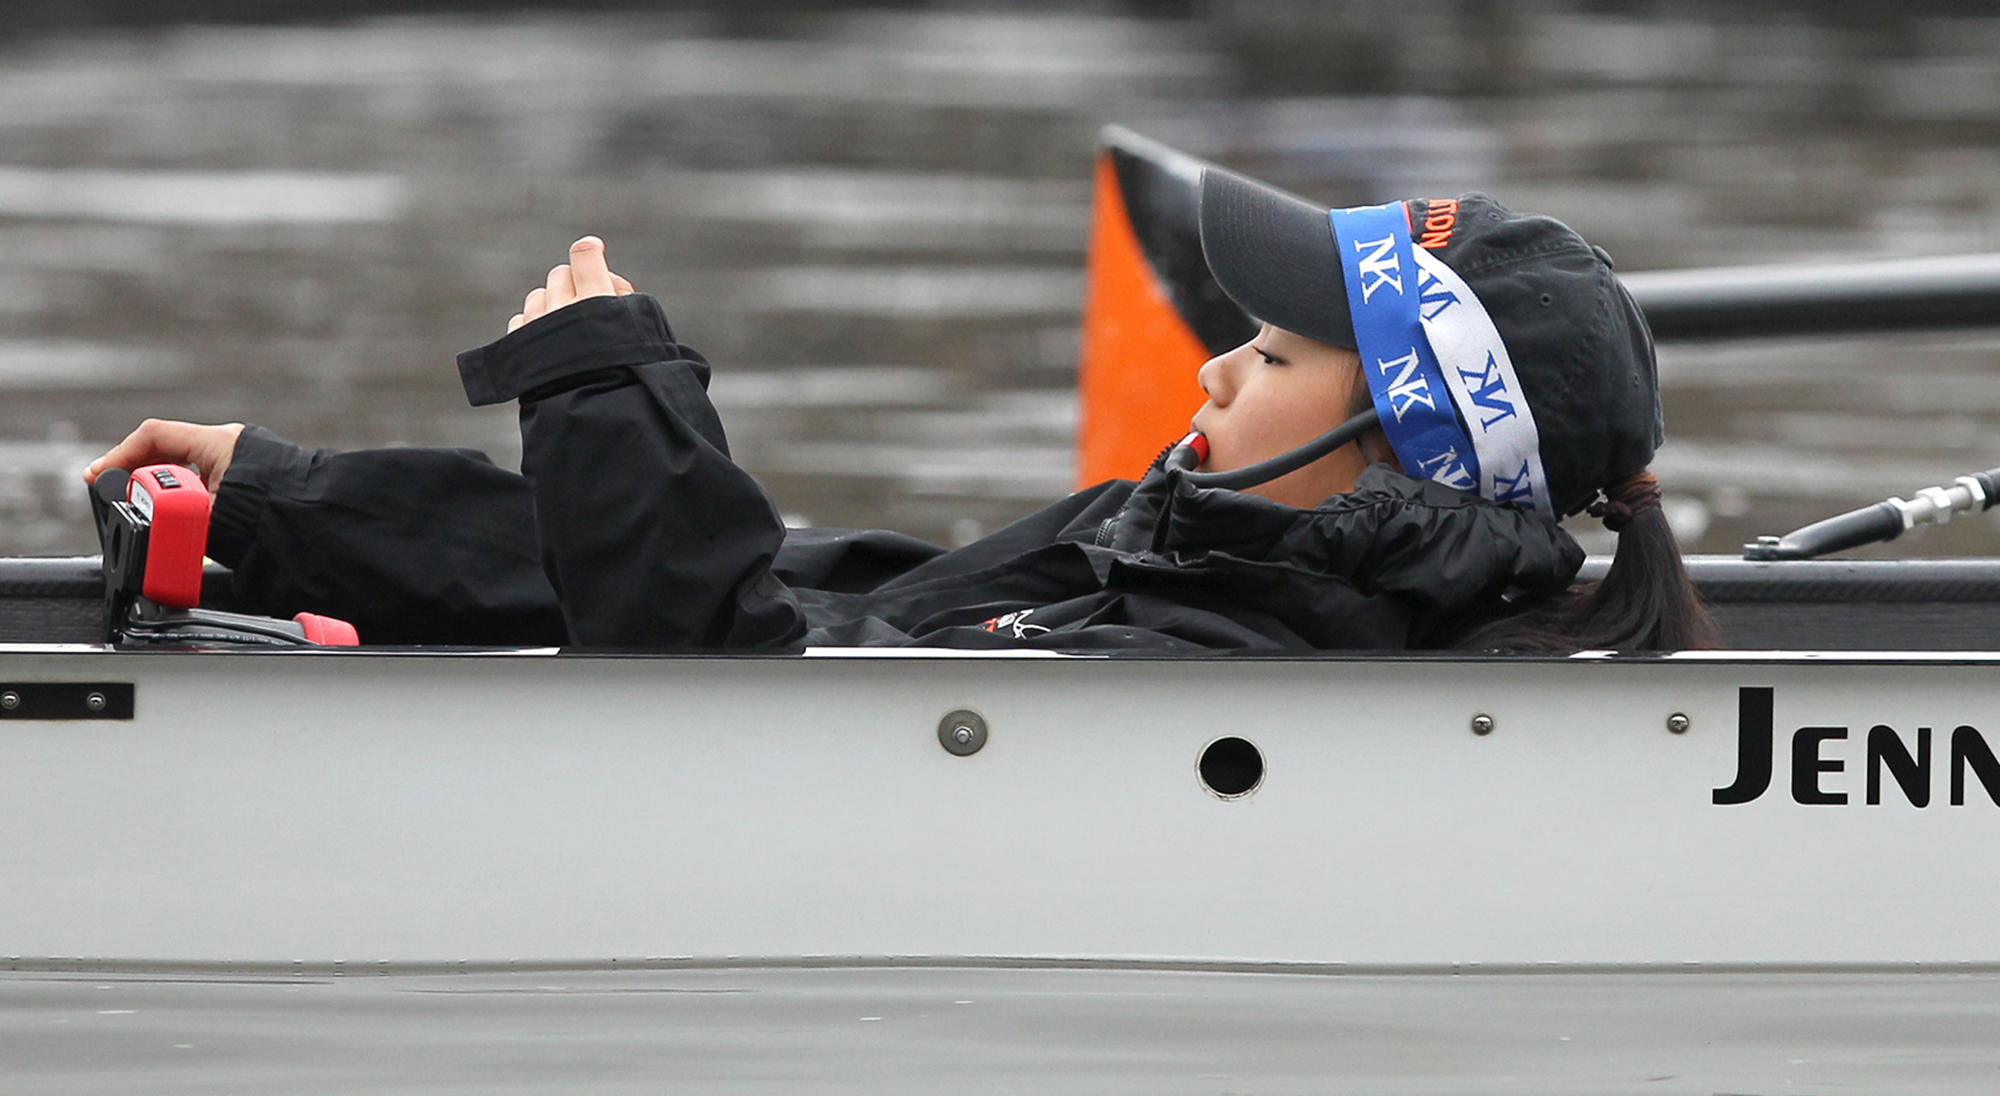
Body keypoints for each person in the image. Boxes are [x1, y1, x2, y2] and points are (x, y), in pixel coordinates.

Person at [85, 170, 1716, 652]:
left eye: (1278, 361)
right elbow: (809, 587)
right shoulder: (1174, 552)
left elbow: (725, 708)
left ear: (1409, 456)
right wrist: (284, 500)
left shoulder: (1235, 649)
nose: (1213, 373)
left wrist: (602, 388)